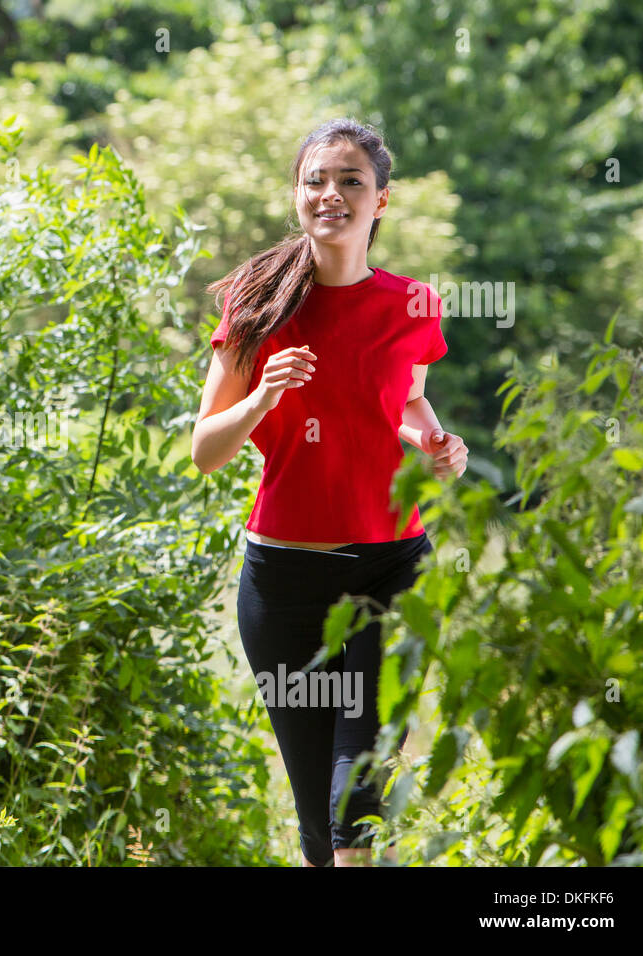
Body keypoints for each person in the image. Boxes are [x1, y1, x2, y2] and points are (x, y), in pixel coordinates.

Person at [190, 119, 469, 867]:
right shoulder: (257, 306)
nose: (331, 195)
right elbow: (205, 451)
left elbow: (402, 406)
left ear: (381, 201)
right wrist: (261, 402)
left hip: (392, 565)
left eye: (351, 181)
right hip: (287, 580)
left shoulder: (414, 303)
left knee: (361, 788)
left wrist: (436, 447)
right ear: (297, 194)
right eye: (317, 180)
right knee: (319, 816)